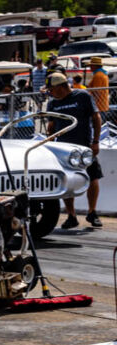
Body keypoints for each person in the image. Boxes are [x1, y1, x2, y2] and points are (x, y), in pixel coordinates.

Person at [45, 72, 103, 229]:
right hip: (62, 148)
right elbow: (51, 125)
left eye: (52, 89)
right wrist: (49, 140)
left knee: (93, 177)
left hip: (84, 146)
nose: (50, 92)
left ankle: (92, 212)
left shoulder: (82, 96)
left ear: (61, 86)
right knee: (65, 180)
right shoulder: (52, 103)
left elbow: (96, 117)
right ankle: (71, 215)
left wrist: (96, 142)